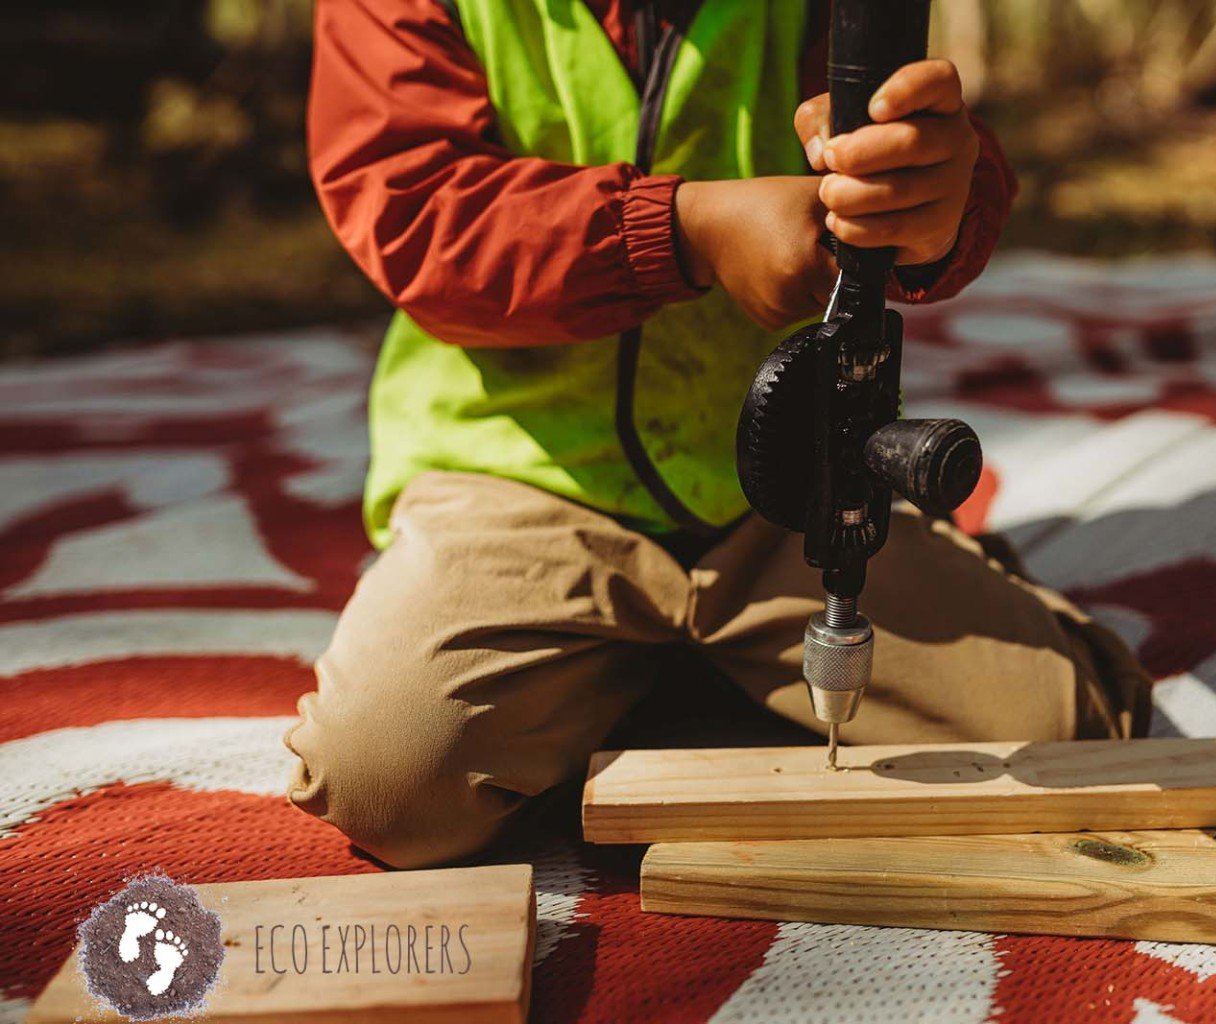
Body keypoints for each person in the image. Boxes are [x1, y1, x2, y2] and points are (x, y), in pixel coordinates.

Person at [285, 0, 1150, 868]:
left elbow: (901, 161)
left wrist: (933, 203)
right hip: (514, 480)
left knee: (1070, 731)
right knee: (385, 786)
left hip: (783, 484)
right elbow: (414, 207)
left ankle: (618, 680)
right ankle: (682, 673)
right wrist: (682, 231)